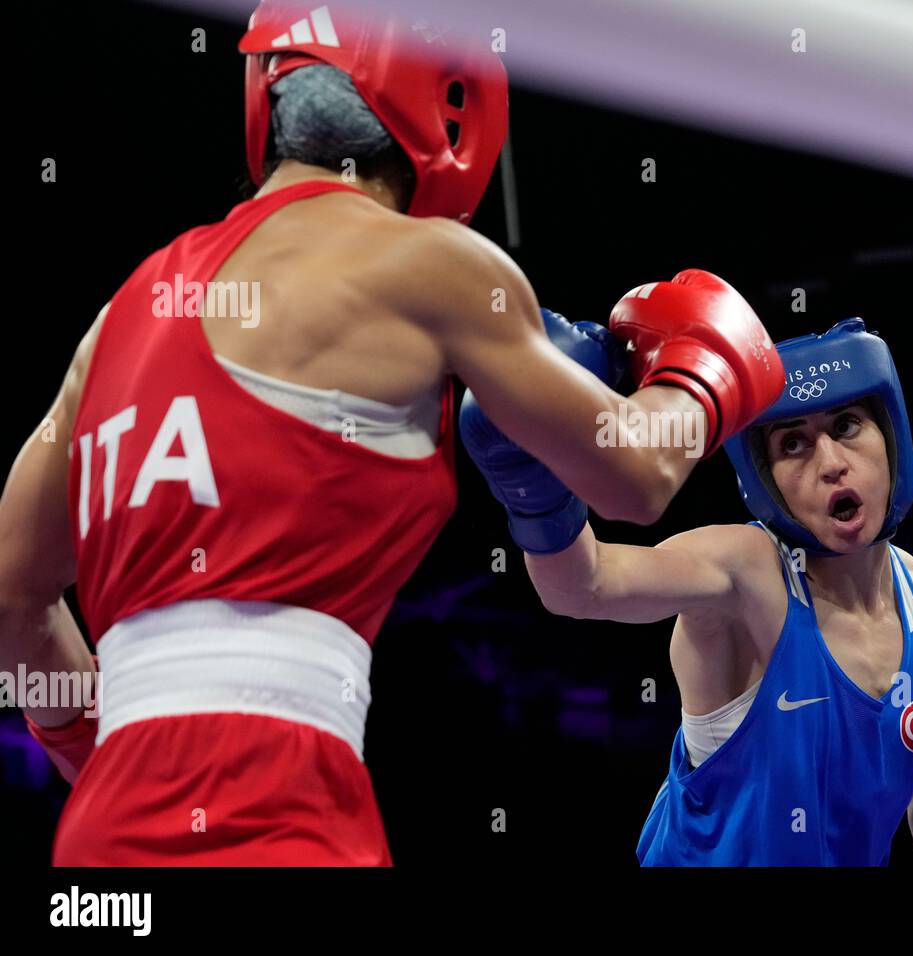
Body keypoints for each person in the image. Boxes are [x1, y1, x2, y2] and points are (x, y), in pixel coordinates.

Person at [0, 1, 783, 865]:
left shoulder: (121, 316)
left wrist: (99, 752)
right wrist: (706, 369)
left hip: (100, 844)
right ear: (451, 101)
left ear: (265, 90)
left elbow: (11, 595)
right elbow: (636, 474)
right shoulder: (429, 264)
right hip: (277, 813)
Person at [463, 317, 913, 865]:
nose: (831, 461)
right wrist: (531, 484)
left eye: (847, 425)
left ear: (891, 439)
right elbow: (582, 586)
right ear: (766, 482)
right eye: (793, 444)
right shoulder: (744, 575)